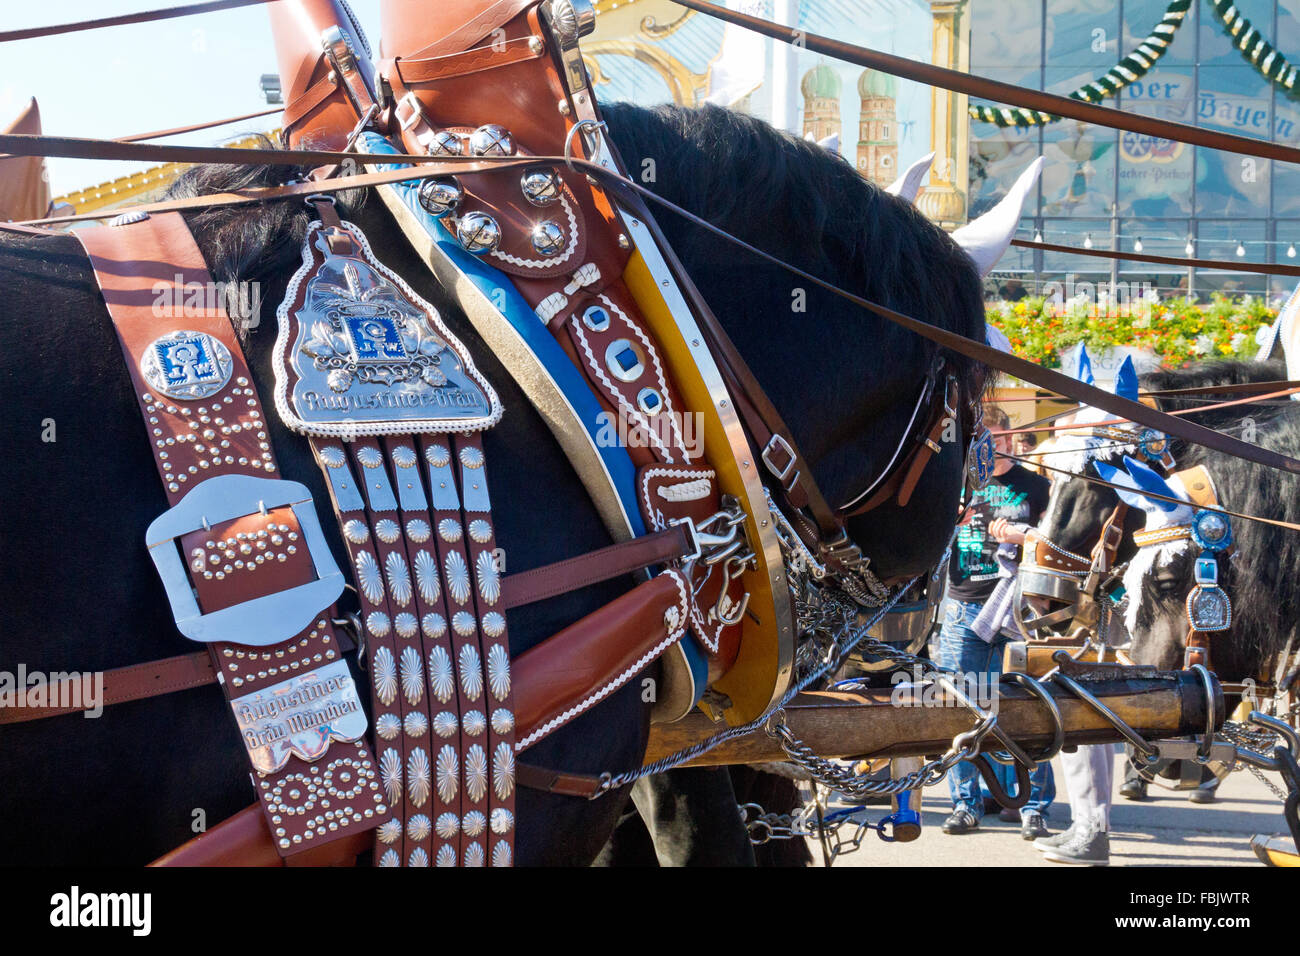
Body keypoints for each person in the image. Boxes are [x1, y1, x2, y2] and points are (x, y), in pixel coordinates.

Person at [939, 406, 1056, 839]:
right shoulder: (960, 485)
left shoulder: (1038, 487)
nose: (994, 447)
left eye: (1000, 438)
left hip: (1018, 612)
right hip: (963, 607)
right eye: (983, 440)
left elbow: (1058, 542)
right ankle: (965, 804)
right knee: (963, 711)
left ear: (1011, 438)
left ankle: (1034, 809)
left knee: (1029, 711)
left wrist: (1024, 537)